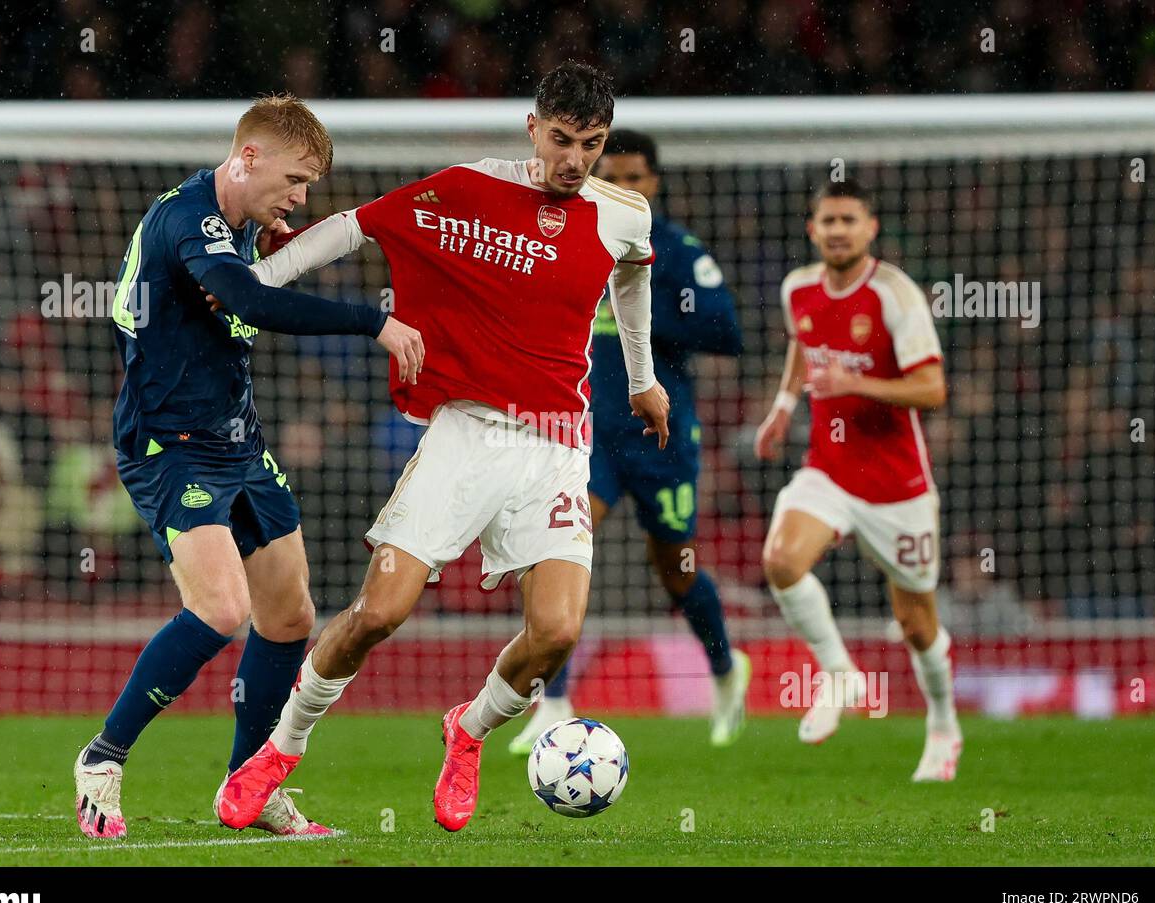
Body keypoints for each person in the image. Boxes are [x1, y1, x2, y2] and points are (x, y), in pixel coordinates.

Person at [215, 61, 671, 833]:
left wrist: (643, 376)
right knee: (377, 613)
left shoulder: (623, 213)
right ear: (534, 127)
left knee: (557, 632)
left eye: (589, 145)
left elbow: (632, 279)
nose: (573, 160)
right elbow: (353, 227)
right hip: (467, 432)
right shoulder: (465, 189)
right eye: (560, 140)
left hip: (560, 441)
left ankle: (468, 731)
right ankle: (279, 750)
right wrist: (256, 279)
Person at [72, 94, 424, 839]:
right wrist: (374, 320)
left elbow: (237, 282)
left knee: (290, 614)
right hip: (172, 445)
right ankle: (103, 757)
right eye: (294, 181)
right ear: (250, 157)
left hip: (239, 443)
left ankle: (249, 784)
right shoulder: (191, 220)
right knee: (222, 609)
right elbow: (247, 302)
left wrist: (261, 244)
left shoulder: (233, 228)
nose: (298, 198)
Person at [507, 129, 749, 753]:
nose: (622, 188)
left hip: (661, 438)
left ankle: (726, 670)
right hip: (586, 437)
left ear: (655, 183)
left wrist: (640, 305)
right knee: (559, 551)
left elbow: (727, 329)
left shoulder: (673, 250)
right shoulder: (565, 240)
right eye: (610, 177)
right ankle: (551, 700)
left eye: (634, 177)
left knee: (677, 569)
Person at [755, 178, 961, 781]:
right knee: (781, 561)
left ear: (871, 229)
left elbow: (933, 389)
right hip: (829, 469)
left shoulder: (896, 295)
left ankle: (944, 724)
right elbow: (803, 345)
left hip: (898, 487)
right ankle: (839, 673)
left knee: (917, 625)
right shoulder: (799, 288)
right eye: (828, 220)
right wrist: (783, 408)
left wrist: (857, 384)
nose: (838, 230)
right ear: (812, 228)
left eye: (850, 219)